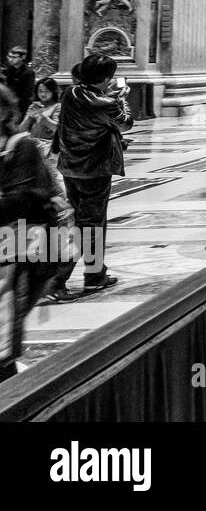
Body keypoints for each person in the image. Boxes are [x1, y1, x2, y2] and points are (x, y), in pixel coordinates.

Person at [50, 51, 133, 300]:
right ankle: (56, 281)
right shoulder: (105, 103)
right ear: (105, 77)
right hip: (94, 169)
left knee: (89, 221)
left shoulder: (71, 93)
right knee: (89, 226)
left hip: (71, 166)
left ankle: (95, 276)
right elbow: (126, 123)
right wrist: (121, 99)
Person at [0, 84, 70, 378]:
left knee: (4, 333)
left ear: (4, 112)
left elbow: (20, 202)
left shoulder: (21, 147)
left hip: (18, 252)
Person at [20, 77, 64, 188]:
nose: (43, 94)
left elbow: (57, 129)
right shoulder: (34, 106)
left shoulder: (57, 106)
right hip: (33, 144)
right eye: (40, 91)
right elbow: (21, 130)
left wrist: (42, 116)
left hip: (49, 147)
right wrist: (29, 116)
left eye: (46, 91)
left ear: (53, 91)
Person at [2, 46, 36, 112]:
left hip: (20, 107)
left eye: (14, 57)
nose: (10, 59)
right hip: (6, 106)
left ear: (22, 57)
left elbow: (27, 93)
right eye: (9, 56)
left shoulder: (28, 72)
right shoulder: (7, 70)